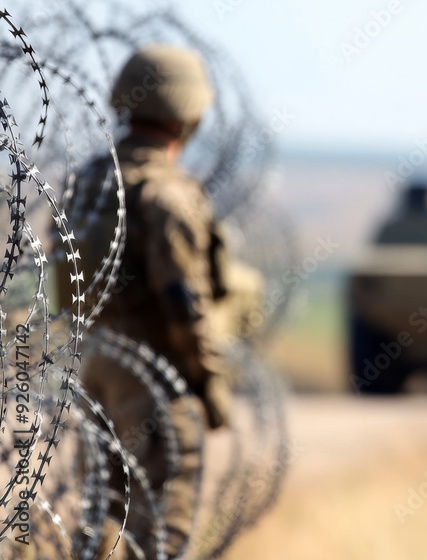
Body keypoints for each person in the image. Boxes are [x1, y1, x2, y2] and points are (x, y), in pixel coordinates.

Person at [68, 44, 233, 559]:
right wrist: (208, 384)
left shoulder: (92, 180)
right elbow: (183, 305)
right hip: (151, 375)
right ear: (189, 115)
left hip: (98, 363)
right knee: (161, 529)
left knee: (100, 518)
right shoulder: (168, 195)